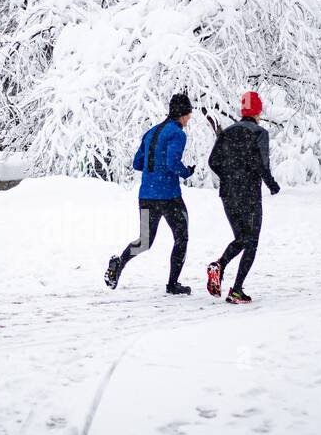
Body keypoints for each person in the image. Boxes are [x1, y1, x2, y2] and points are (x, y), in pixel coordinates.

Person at [104, 93, 196, 295]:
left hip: (146, 196)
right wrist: (187, 172)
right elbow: (172, 163)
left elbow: (137, 163)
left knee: (144, 240)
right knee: (182, 238)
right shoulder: (177, 134)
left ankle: (119, 263)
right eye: (188, 113)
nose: (189, 118)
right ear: (181, 113)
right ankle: (173, 284)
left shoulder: (151, 132)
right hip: (169, 196)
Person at [205, 91, 279, 304]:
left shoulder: (227, 132)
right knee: (251, 241)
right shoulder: (259, 133)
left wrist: (229, 177)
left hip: (228, 193)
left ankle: (219, 266)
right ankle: (236, 290)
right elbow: (263, 165)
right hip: (249, 194)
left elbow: (213, 161)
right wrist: (272, 185)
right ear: (257, 111)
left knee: (242, 238)